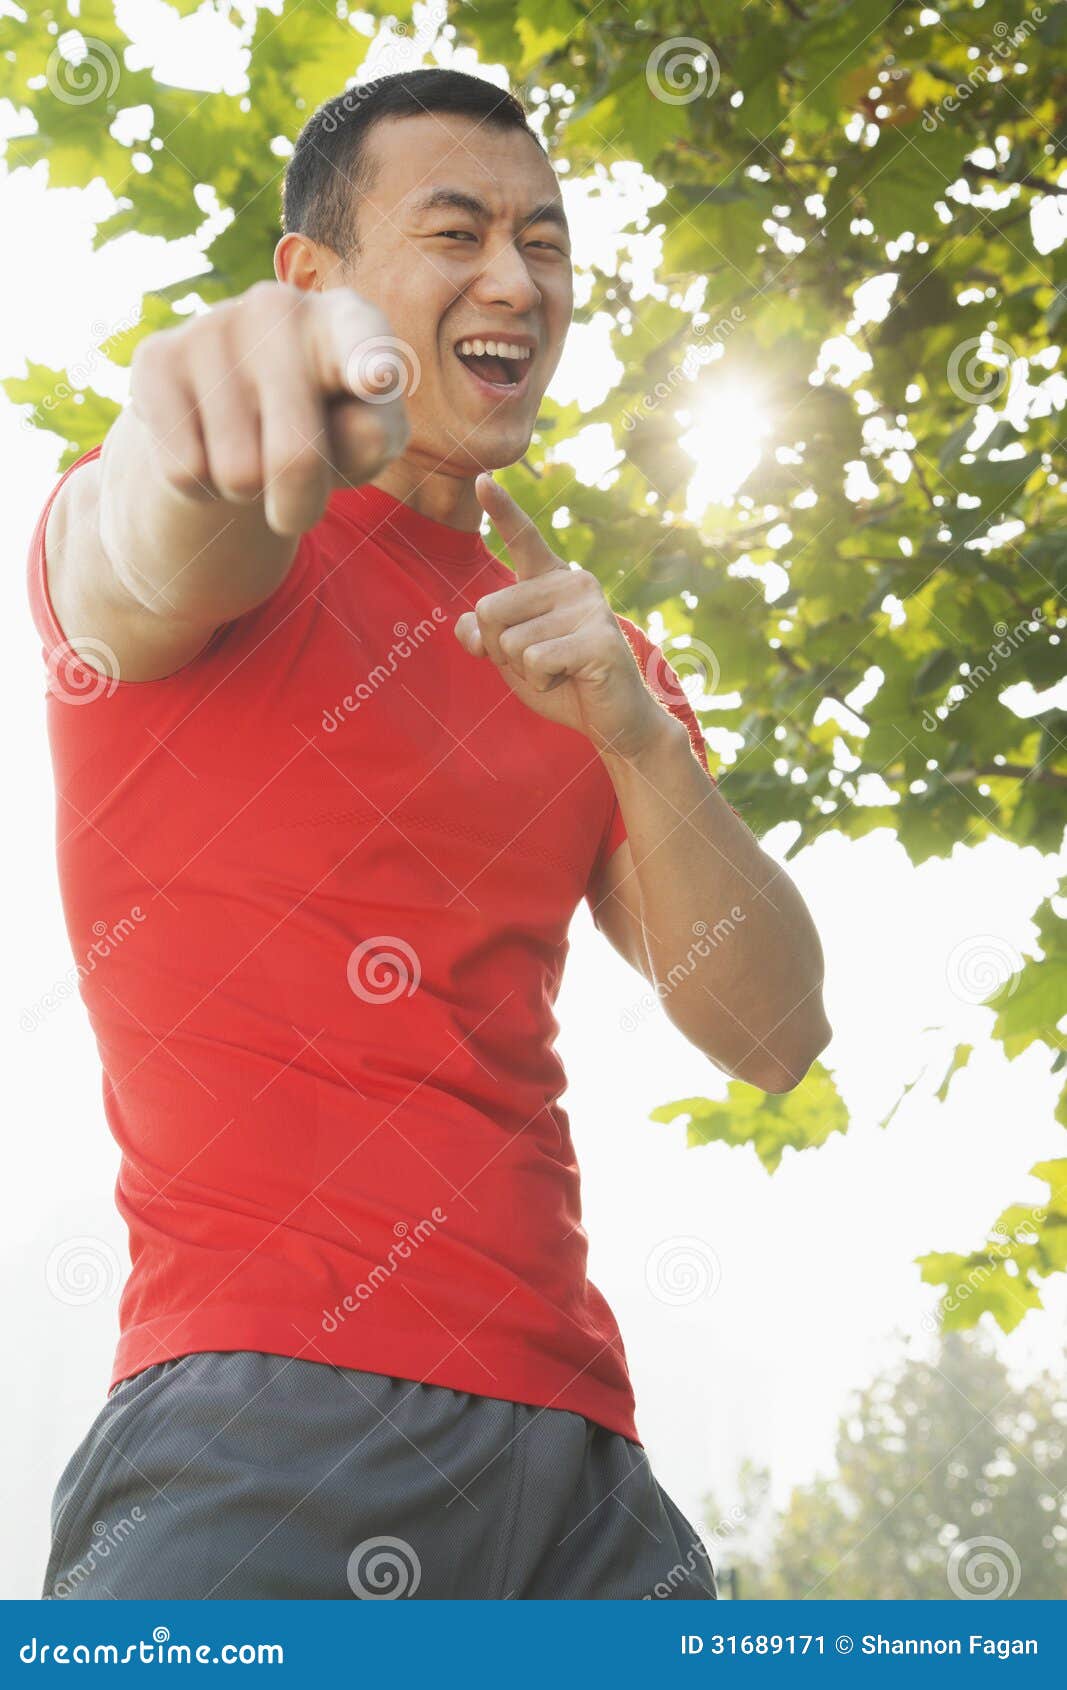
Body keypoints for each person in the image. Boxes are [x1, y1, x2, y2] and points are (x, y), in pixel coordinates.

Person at [30, 68, 831, 1601]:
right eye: (455, 230)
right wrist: (201, 430)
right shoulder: (194, 544)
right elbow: (141, 544)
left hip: (588, 1477)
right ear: (310, 278)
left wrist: (640, 737)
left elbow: (778, 1029)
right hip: (257, 1427)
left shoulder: (586, 650)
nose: (514, 280)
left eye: (546, 241)